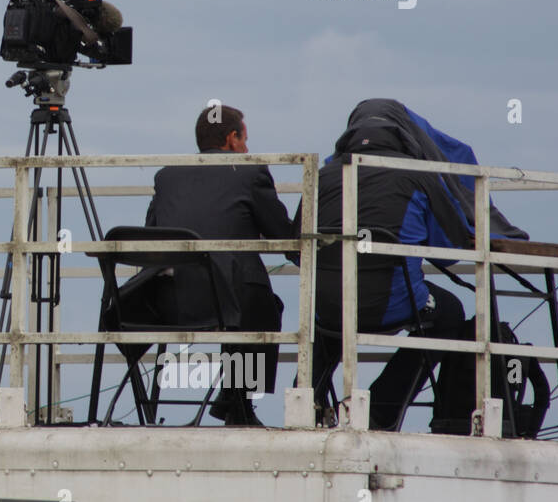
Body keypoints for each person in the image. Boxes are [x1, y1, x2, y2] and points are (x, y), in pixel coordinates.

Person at [295, 119, 472, 429]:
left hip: (329, 307)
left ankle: (305, 400)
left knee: (336, 304)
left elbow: (294, 248)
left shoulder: (322, 178)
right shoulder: (419, 176)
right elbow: (452, 248)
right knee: (449, 313)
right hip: (392, 304)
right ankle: (381, 407)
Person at [145, 105, 294, 425]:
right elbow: (283, 235)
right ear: (231, 138)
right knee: (262, 303)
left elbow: (151, 234)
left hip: (169, 306)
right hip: (233, 306)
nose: (247, 148)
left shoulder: (167, 175)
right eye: (244, 140)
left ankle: (230, 397)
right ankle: (237, 401)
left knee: (238, 293)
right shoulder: (250, 171)